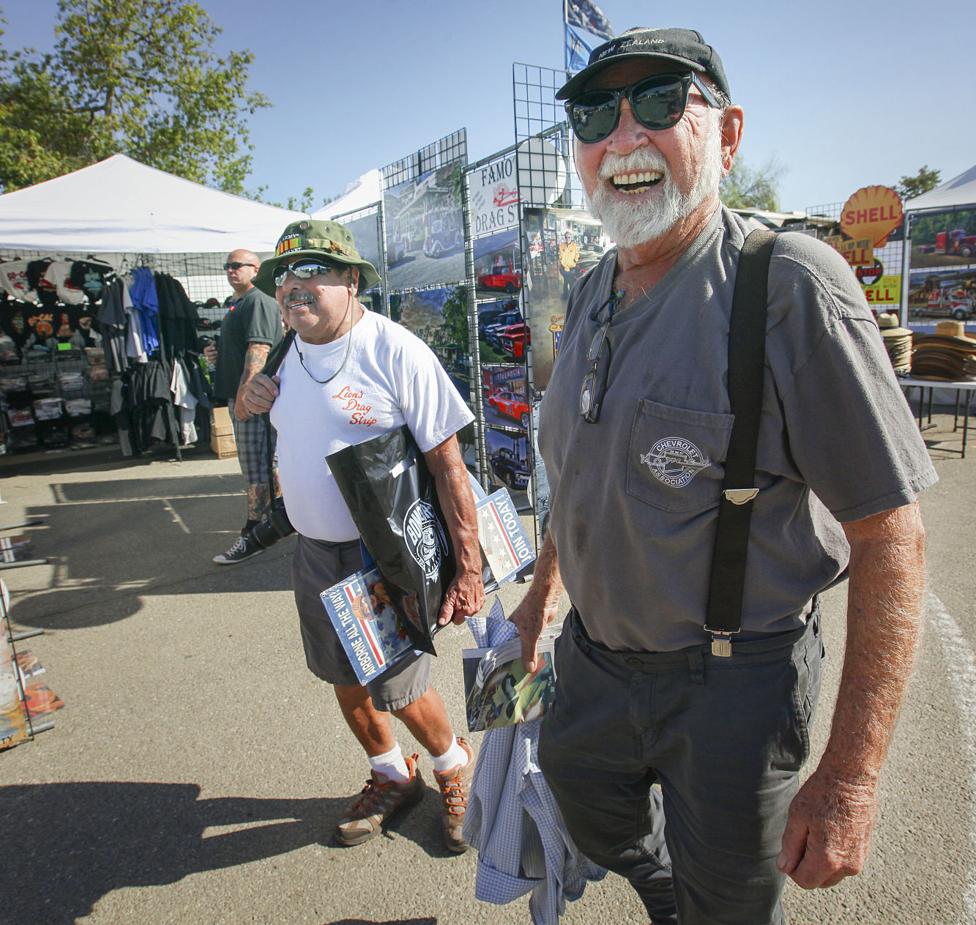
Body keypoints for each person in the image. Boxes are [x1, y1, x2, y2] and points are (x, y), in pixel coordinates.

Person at [509, 27, 938, 925]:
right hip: (595, 659)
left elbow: (889, 533)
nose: (624, 136)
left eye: (662, 101)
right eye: (594, 113)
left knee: (731, 908)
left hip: (733, 683)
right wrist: (545, 589)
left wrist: (852, 776)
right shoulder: (589, 291)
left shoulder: (787, 287)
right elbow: (576, 461)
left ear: (728, 133)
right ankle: (673, 889)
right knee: (587, 800)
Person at [239, 220, 484, 852]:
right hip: (315, 552)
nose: (296, 287)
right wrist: (248, 395)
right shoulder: (286, 350)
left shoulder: (394, 350)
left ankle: (454, 766)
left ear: (351, 280)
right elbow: (256, 412)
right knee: (341, 678)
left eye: (314, 272)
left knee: (399, 687)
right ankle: (389, 772)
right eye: (286, 275)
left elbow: (447, 463)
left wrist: (468, 567)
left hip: (386, 558)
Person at [210, 248, 284, 565]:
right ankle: (280, 520)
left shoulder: (258, 300)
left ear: (255, 269)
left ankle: (253, 533)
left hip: (252, 401)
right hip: (242, 397)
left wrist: (245, 396)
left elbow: (260, 348)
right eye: (227, 265)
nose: (230, 270)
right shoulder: (239, 303)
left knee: (256, 470)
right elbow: (245, 345)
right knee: (265, 467)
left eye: (237, 265)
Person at [558, 230, 581, 297]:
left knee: (571, 282)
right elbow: (560, 254)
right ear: (564, 238)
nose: (567, 239)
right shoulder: (561, 246)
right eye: (566, 237)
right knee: (565, 282)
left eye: (569, 237)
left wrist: (575, 261)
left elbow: (577, 255)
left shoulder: (574, 246)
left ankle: (571, 296)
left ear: (571, 238)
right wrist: (561, 260)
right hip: (564, 268)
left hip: (572, 268)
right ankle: (565, 295)